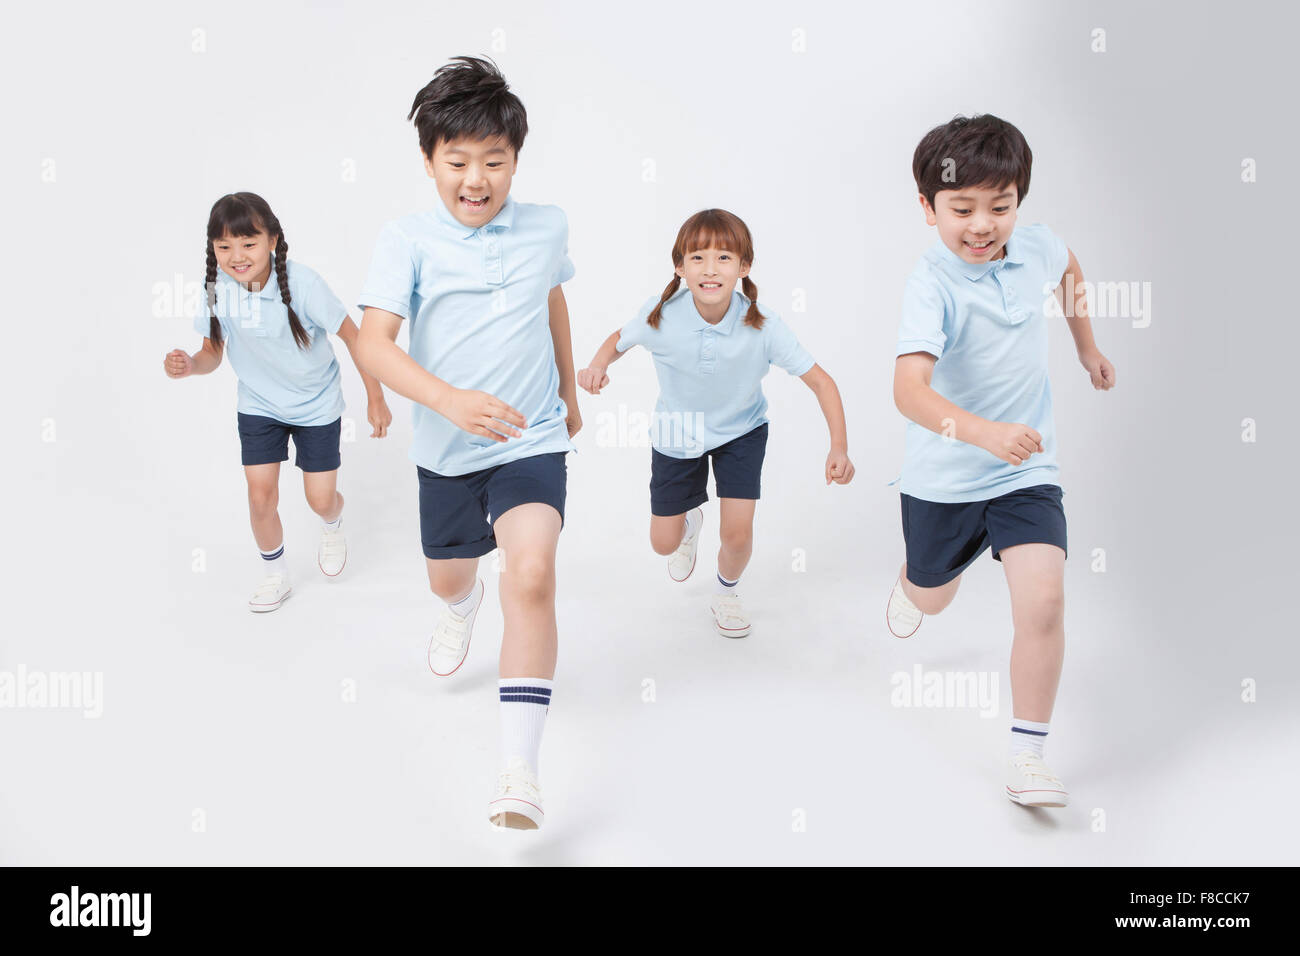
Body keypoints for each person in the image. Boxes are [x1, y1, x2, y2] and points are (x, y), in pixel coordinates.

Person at [355, 57, 579, 831]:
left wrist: (571, 394)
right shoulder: (406, 240)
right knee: (448, 577)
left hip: (530, 438)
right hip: (445, 453)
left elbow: (552, 301)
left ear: (517, 157)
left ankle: (519, 770)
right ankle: (460, 601)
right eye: (457, 162)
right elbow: (375, 346)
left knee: (534, 572)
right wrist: (447, 401)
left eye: (495, 160)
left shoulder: (547, 225)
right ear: (429, 163)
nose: (477, 178)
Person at [885, 114, 1116, 807]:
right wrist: (982, 433)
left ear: (1020, 201)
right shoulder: (932, 285)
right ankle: (913, 580)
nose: (982, 225)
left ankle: (1028, 755)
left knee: (1043, 600)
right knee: (933, 595)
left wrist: (1086, 347)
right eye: (962, 209)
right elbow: (907, 391)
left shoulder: (1036, 248)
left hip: (1024, 468)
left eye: (1001, 206)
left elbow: (1069, 265)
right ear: (928, 209)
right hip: (945, 477)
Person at [578, 208, 854, 638]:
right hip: (676, 431)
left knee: (738, 537)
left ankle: (726, 592)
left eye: (724, 258)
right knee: (662, 543)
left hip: (740, 432)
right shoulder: (660, 315)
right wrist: (598, 365)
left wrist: (839, 446)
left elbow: (821, 382)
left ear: (744, 267)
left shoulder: (763, 325)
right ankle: (689, 524)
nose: (711, 269)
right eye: (698, 258)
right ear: (680, 266)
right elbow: (618, 340)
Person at [164, 192, 391, 612]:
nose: (236, 256)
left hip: (315, 404)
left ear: (272, 240)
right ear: (213, 249)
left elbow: (356, 337)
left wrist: (375, 397)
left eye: (248, 243)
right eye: (224, 246)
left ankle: (333, 522)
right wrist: (189, 365)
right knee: (260, 496)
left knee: (320, 499)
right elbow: (212, 353)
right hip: (259, 405)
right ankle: (276, 574)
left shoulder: (303, 284)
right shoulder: (215, 289)